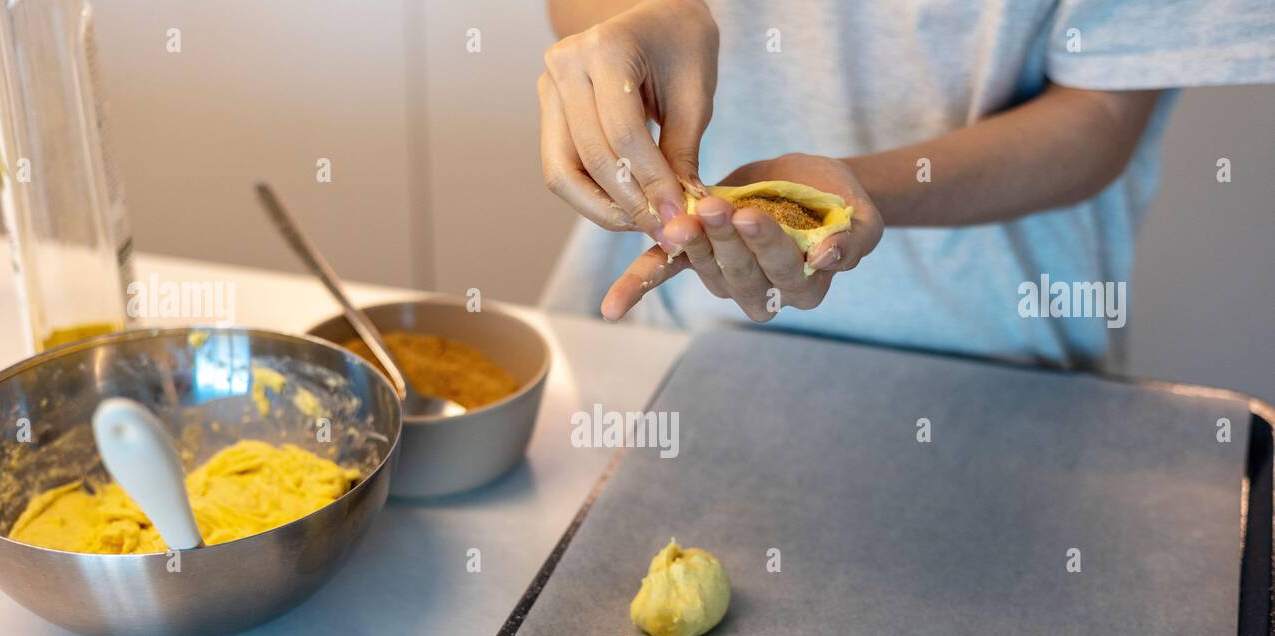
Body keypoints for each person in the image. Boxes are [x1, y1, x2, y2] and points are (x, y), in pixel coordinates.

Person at [537, 0, 1275, 369]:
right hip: (673, 330)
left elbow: (1101, 115)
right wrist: (634, 19)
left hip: (999, 353)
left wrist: (864, 190)